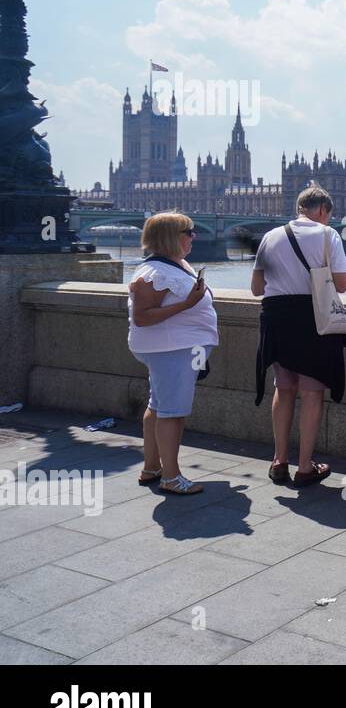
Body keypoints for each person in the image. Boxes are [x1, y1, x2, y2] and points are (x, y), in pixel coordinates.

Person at [251, 185, 346, 488]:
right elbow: (343, 285)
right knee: (311, 391)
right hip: (312, 316)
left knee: (284, 387)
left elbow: (256, 288)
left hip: (277, 317)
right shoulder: (327, 235)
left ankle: (279, 461)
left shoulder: (270, 236)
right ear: (322, 210)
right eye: (328, 216)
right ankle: (305, 467)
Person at [127, 211, 218, 495]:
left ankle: (152, 467)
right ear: (171, 236)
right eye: (188, 232)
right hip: (171, 350)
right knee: (172, 413)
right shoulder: (152, 274)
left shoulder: (176, 265)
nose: (194, 236)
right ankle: (171, 477)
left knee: (158, 406)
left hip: (180, 349)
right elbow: (142, 317)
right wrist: (188, 303)